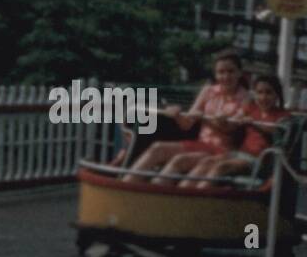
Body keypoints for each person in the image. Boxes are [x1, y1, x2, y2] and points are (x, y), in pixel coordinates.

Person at [120, 51, 250, 184]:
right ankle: (124, 185)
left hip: (223, 150)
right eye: (221, 72)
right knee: (157, 148)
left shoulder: (246, 98)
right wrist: (176, 115)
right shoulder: (208, 91)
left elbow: (230, 128)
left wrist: (206, 118)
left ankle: (156, 192)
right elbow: (187, 124)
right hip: (202, 144)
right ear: (216, 74)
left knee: (180, 160)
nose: (225, 76)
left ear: (239, 73)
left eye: (230, 71)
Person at [180, 75, 290, 189]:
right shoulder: (251, 108)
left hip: (258, 160)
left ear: (277, 94)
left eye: (268, 93)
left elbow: (276, 130)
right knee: (207, 162)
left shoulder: (283, 115)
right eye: (260, 93)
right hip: (239, 154)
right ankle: (183, 192)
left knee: (222, 167)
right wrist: (223, 119)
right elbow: (235, 119)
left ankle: (199, 195)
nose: (263, 97)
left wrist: (254, 123)